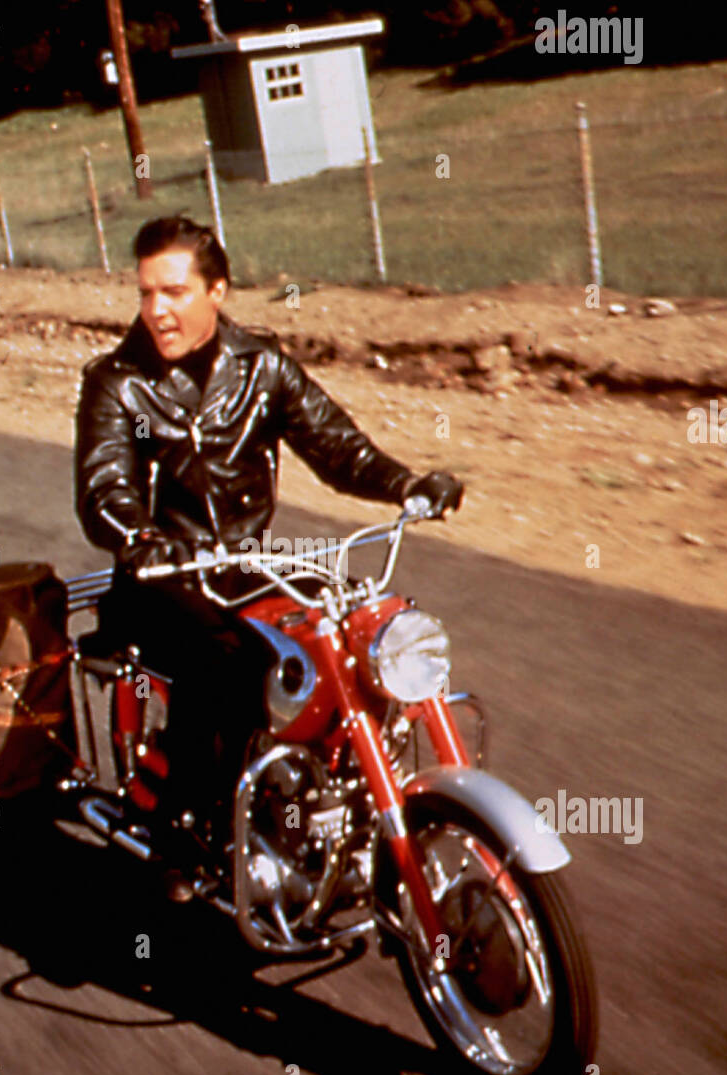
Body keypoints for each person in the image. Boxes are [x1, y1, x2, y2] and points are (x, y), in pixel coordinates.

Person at [74, 216, 462, 892]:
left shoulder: (263, 368)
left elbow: (338, 447)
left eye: (173, 292)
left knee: (356, 632)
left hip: (248, 569)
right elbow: (103, 486)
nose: (156, 311)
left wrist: (407, 483)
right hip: (158, 576)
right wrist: (138, 536)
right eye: (145, 294)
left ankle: (326, 798)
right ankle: (188, 825)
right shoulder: (118, 382)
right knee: (229, 655)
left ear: (217, 290)